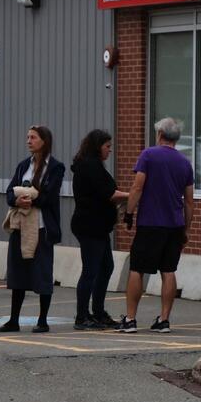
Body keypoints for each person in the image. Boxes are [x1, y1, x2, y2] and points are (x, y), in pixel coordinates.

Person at [117, 118, 194, 333]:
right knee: (168, 270)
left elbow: (137, 187)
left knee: (137, 269)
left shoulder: (148, 155)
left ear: (160, 133)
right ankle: (164, 320)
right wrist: (186, 229)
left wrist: (129, 213)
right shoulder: (184, 163)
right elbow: (189, 201)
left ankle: (131, 319)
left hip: (150, 223)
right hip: (174, 225)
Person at [0, 126, 65, 334]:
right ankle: (13, 320)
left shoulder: (55, 167)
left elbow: (49, 196)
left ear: (44, 141)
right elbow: (9, 193)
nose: (28, 141)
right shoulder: (23, 165)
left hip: (42, 229)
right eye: (27, 137)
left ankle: (42, 320)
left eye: (33, 137)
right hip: (21, 228)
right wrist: (17, 200)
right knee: (17, 274)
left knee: (43, 273)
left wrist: (29, 199)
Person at [71, 130, 129, 330]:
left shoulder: (94, 165)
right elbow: (110, 194)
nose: (110, 150)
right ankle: (82, 316)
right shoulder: (90, 166)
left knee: (106, 267)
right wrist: (133, 195)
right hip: (89, 225)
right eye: (107, 146)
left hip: (98, 227)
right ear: (97, 147)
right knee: (91, 270)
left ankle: (98, 311)